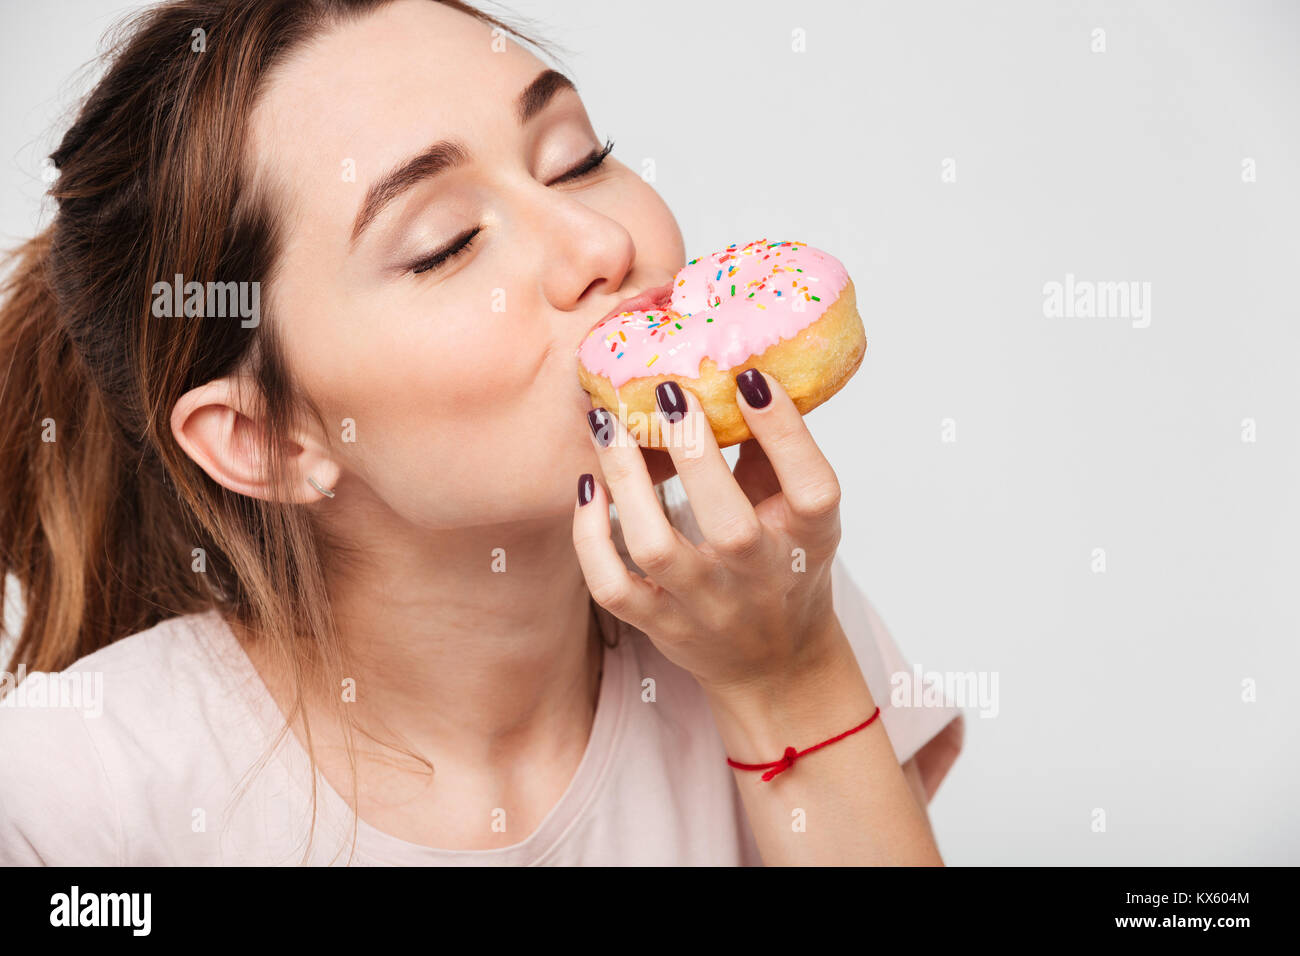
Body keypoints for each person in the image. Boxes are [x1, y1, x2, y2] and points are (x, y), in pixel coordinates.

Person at [0, 0, 963, 865]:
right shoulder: (68, 802)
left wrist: (789, 679)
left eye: (577, 160)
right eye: (447, 243)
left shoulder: (757, 602)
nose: (603, 246)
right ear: (269, 440)